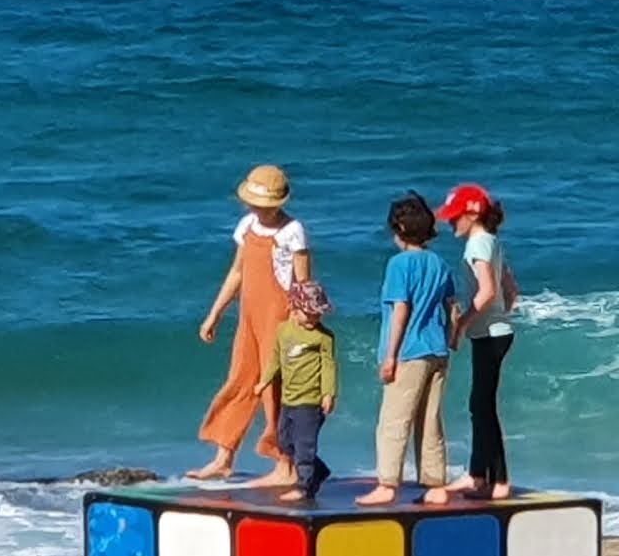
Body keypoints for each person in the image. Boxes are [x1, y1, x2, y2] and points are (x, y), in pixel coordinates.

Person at [192, 165, 312, 485]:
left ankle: (284, 465)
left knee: (274, 389)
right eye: (254, 203)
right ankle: (224, 457)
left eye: (263, 204)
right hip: (250, 315)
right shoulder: (247, 226)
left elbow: (303, 283)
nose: (256, 209)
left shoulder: (292, 231)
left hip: (280, 316)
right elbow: (237, 273)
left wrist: (302, 325)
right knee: (241, 378)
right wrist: (215, 313)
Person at [357, 192, 456, 507]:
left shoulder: (399, 264)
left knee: (394, 420)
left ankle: (387, 483)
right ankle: (436, 483)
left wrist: (390, 355)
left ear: (399, 228)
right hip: (437, 350)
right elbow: (453, 307)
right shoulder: (439, 263)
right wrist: (451, 339)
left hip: (409, 351)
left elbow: (401, 309)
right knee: (430, 421)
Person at [440, 184, 520, 500]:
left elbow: (487, 292)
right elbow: (510, 287)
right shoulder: (492, 242)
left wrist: (461, 322)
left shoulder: (476, 245)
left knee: (483, 409)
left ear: (472, 214)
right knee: (479, 406)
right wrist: (504, 308)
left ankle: (498, 481)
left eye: (454, 217)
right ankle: (477, 475)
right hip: (498, 332)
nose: (450, 223)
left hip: (490, 335)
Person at [255, 280, 337, 502]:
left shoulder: (324, 337)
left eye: (317, 314)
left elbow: (329, 366)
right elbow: (275, 360)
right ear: (294, 308)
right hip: (288, 399)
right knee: (284, 443)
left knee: (304, 445)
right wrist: (264, 381)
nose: (313, 319)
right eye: (309, 313)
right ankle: (318, 471)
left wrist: (328, 393)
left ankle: (305, 487)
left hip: (310, 402)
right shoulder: (283, 331)